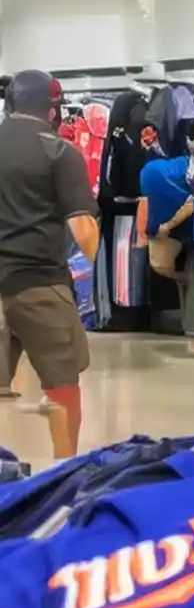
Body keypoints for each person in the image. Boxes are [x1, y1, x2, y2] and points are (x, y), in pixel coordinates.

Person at [0, 70, 99, 459]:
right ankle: (63, 469)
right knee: (62, 383)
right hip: (39, 282)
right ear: (53, 108)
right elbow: (83, 228)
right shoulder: (59, 151)